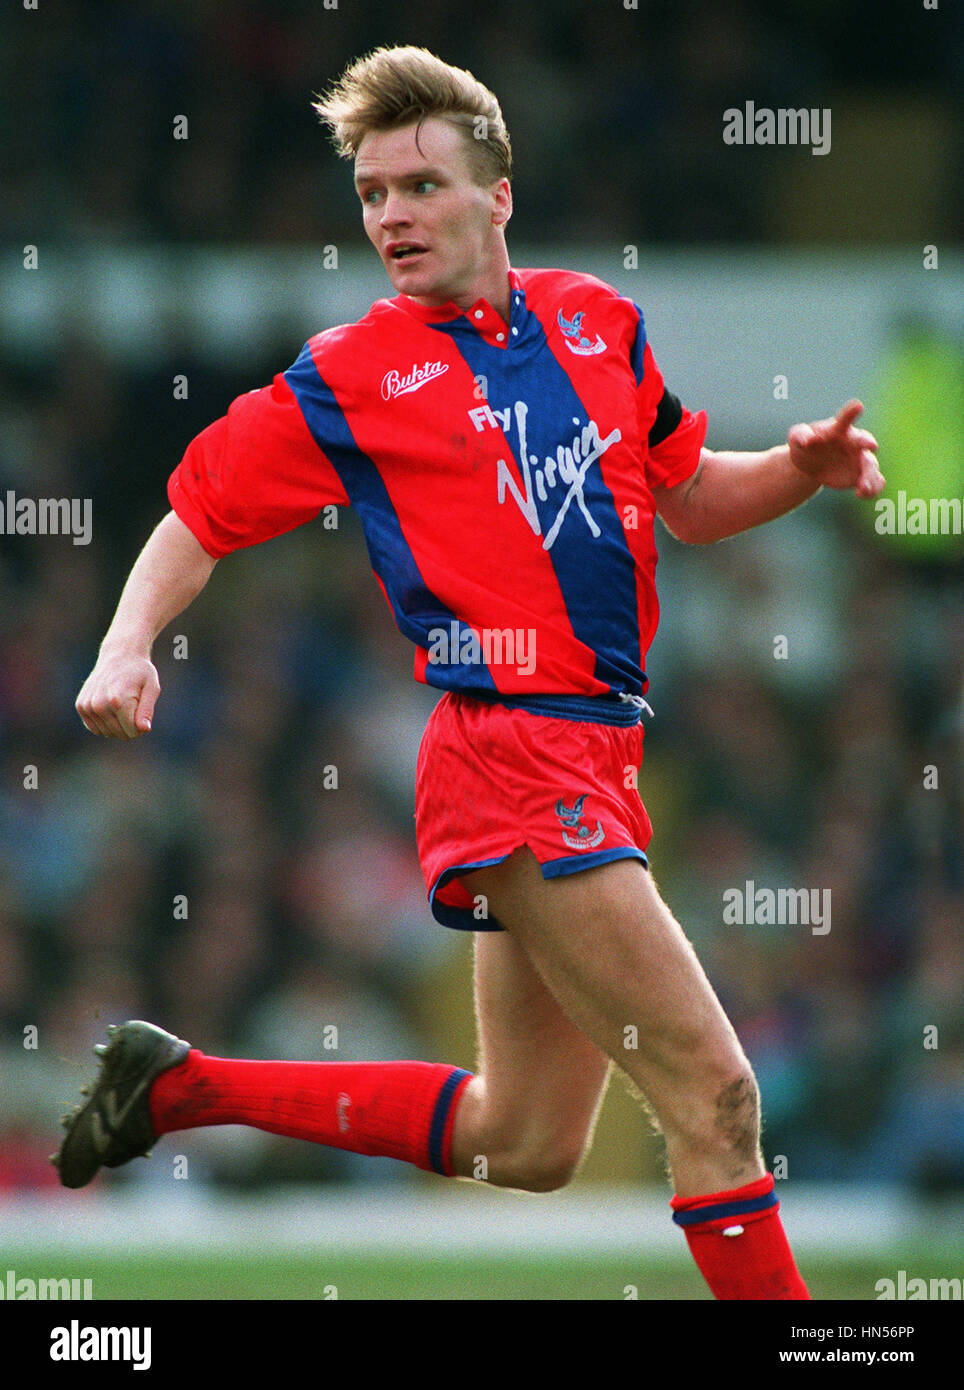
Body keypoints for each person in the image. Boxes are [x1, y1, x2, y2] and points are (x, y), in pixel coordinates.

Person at [57, 46, 883, 1300]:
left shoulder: (599, 322)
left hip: (598, 750)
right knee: (717, 1094)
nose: (391, 214)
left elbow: (691, 497)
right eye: (374, 194)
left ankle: (180, 1085)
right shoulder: (352, 374)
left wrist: (799, 469)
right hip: (512, 752)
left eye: (419, 185)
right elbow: (195, 514)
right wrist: (124, 646)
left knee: (528, 1141)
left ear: (497, 192)